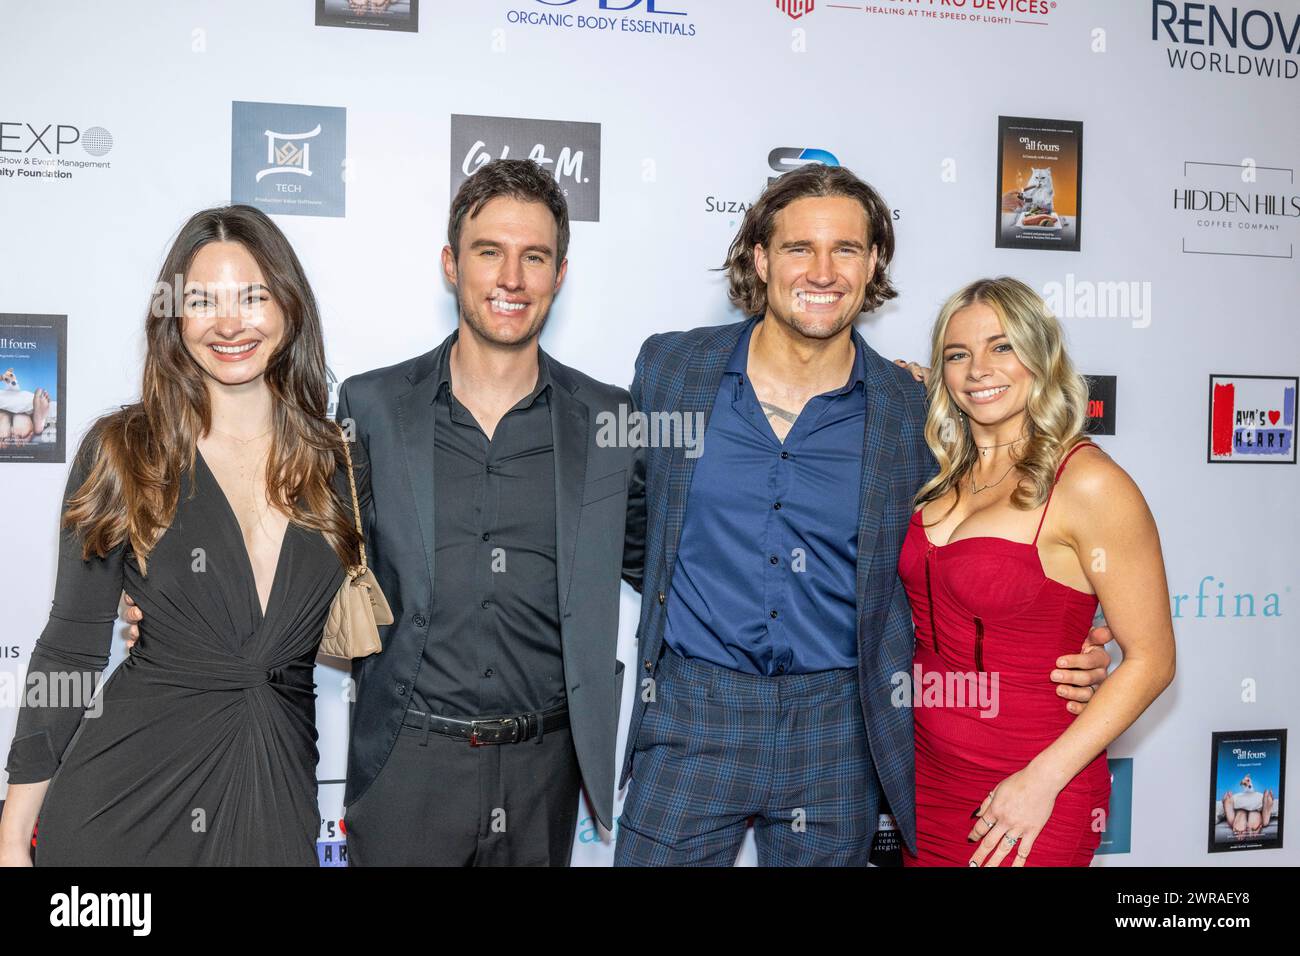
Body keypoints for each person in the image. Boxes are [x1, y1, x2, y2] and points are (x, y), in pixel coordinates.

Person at [614, 164, 1114, 867]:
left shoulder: (912, 409)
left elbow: (984, 542)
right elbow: (634, 525)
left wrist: (1073, 638)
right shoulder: (673, 370)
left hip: (839, 726)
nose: (823, 271)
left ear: (873, 262)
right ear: (760, 258)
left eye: (845, 249)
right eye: (798, 249)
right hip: (695, 712)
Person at [0, 205, 357, 866]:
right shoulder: (126, 451)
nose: (229, 323)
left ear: (289, 306)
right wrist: (13, 838)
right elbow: (70, 652)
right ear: (174, 318)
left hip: (274, 796)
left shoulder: (338, 462)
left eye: (252, 296)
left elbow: (388, 625)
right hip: (123, 809)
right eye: (202, 301)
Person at [328, 159, 643, 865]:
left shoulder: (608, 417)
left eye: (534, 257)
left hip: (547, 771)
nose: (512, 278)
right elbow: (316, 558)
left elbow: (669, 553)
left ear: (559, 274)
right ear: (451, 263)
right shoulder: (372, 406)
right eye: (488, 252)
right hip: (407, 763)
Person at [899, 276, 1176, 866]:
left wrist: (1040, 782)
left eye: (1002, 347)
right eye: (958, 354)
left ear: (1041, 357)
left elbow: (1153, 660)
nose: (978, 369)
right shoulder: (941, 470)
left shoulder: (1089, 483)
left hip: (1029, 785)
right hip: (925, 781)